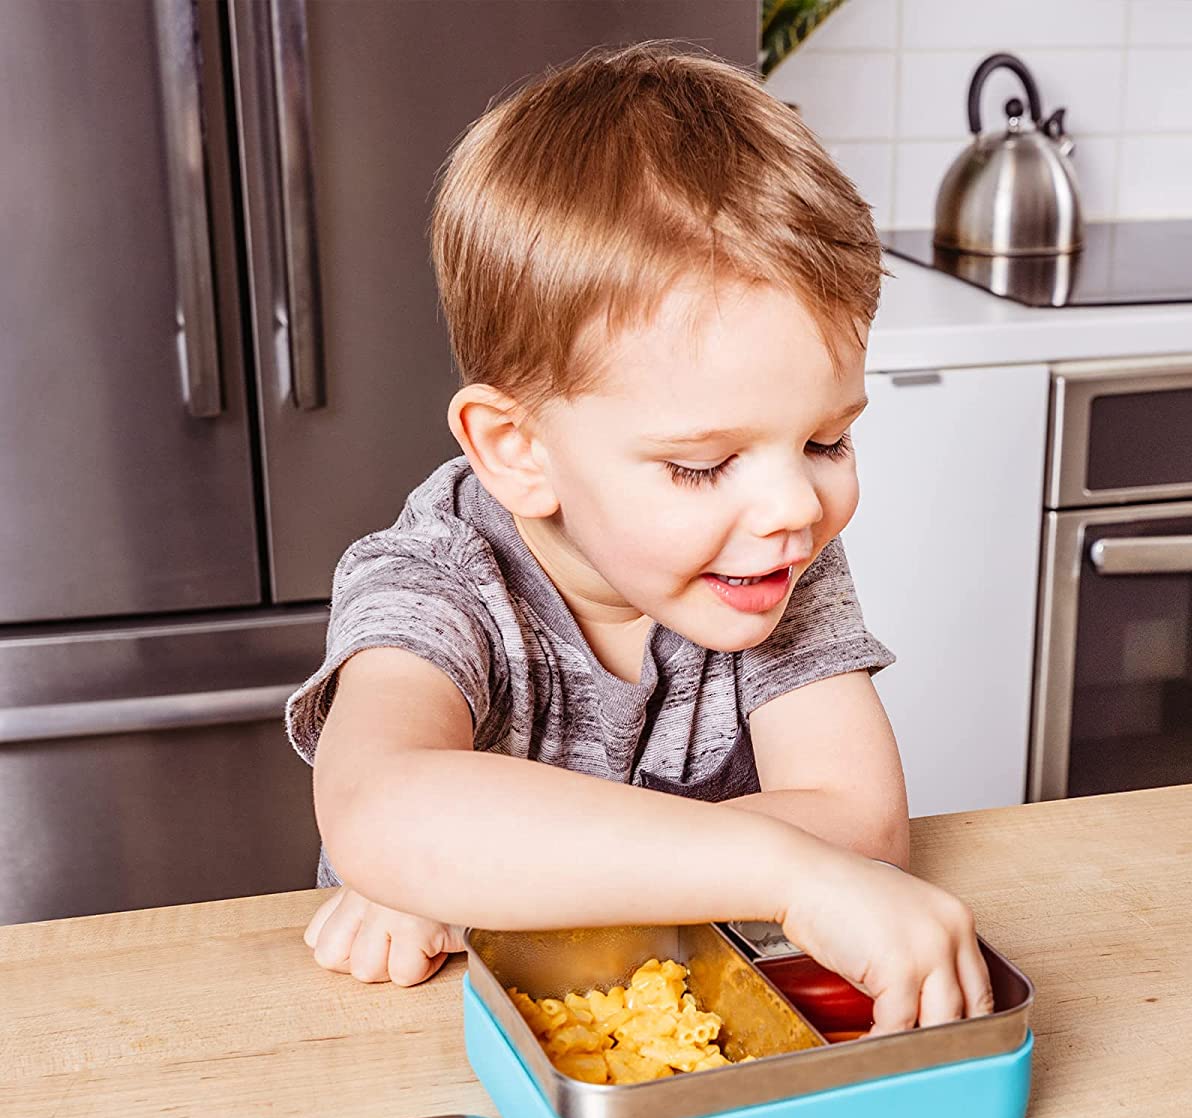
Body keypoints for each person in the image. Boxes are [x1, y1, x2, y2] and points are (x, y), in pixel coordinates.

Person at [286, 44, 994, 1032]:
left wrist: (482, 877)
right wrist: (788, 870)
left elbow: (861, 824)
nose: (794, 505)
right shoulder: (438, 575)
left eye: (826, 440)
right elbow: (382, 808)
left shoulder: (766, 557)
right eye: (702, 464)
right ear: (519, 451)